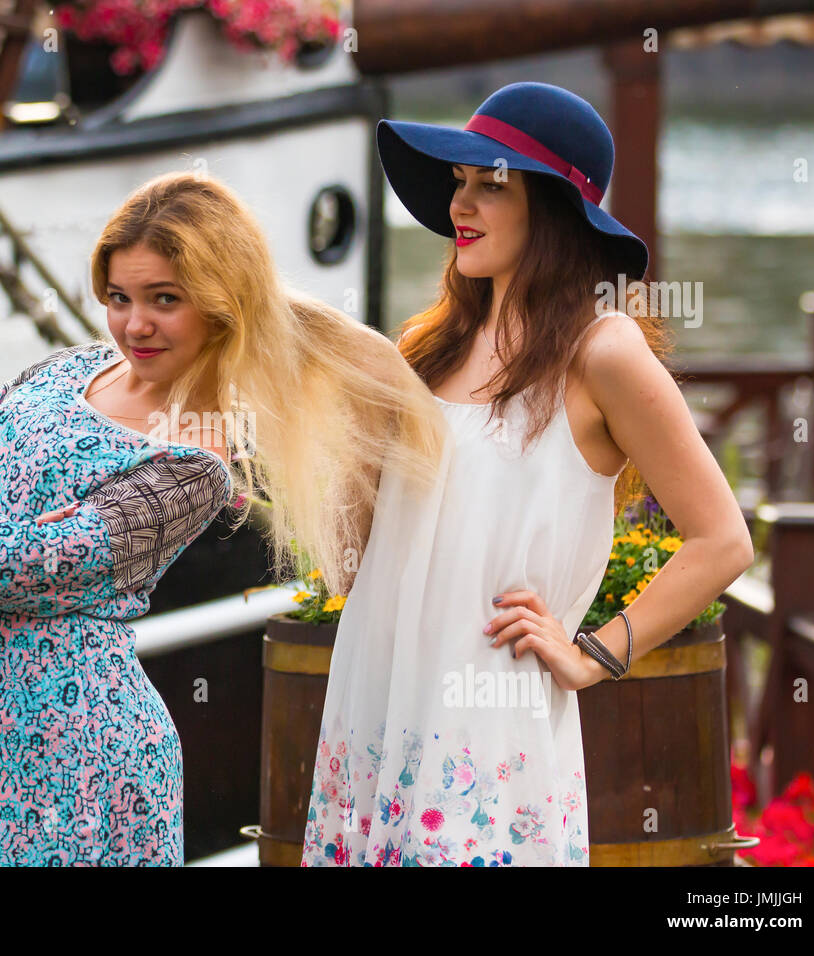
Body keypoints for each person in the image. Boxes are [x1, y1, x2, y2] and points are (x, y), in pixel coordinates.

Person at [0, 170, 448, 865]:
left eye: (164, 300)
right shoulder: (65, 370)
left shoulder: (193, 465)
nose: (133, 324)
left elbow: (9, 566)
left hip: (74, 757)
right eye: (119, 297)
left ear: (220, 305)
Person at [302, 82, 755, 866]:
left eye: (492, 183)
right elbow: (352, 563)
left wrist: (596, 652)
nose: (461, 206)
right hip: (374, 703)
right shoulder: (424, 350)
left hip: (489, 725)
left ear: (553, 205)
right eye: (459, 182)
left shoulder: (602, 350)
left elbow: (723, 540)